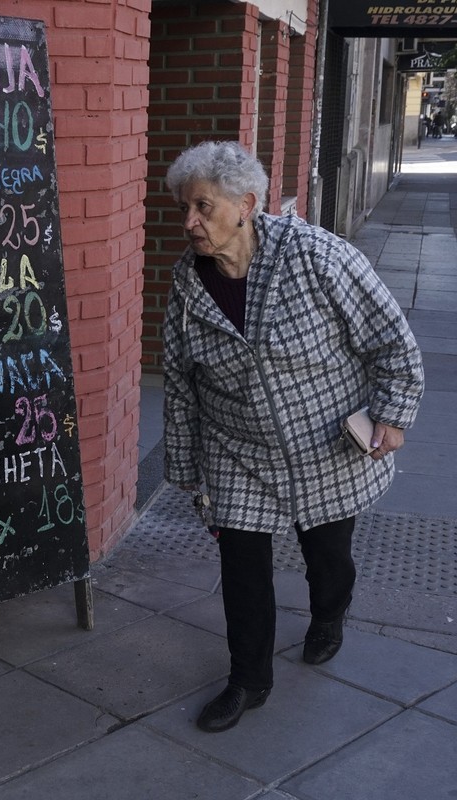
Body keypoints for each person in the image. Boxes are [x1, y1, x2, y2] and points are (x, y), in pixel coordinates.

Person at [161, 141, 425, 734]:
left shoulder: (317, 255)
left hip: (324, 442)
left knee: (327, 556)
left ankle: (329, 614)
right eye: (184, 207)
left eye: (203, 207)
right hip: (238, 451)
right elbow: (179, 380)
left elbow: (391, 338)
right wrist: (184, 463)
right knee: (242, 568)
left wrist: (393, 413)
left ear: (247, 205)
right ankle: (247, 680)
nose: (190, 223)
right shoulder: (187, 284)